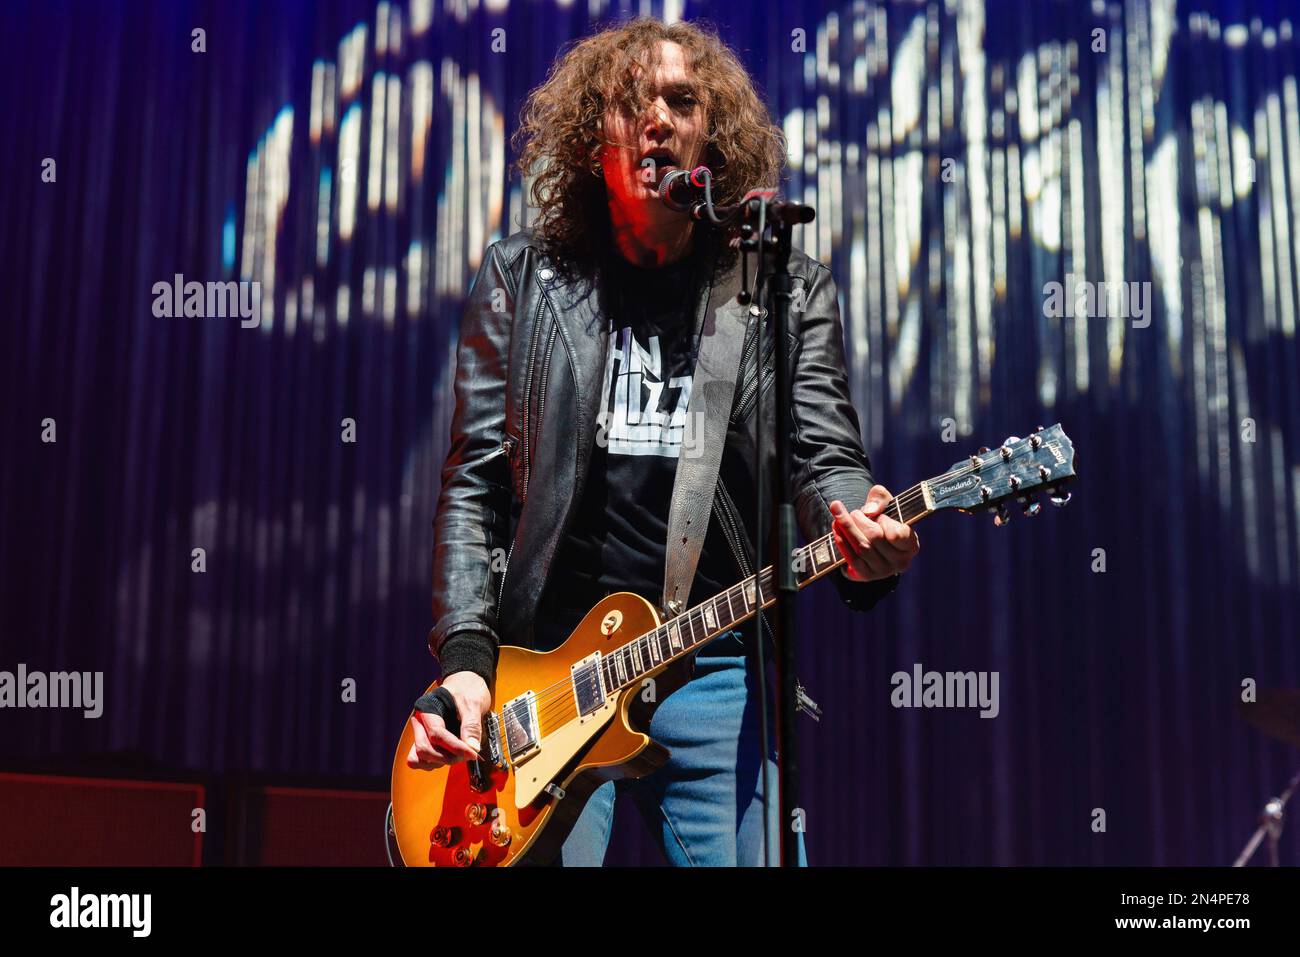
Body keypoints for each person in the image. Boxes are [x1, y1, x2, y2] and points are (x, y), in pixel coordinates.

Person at [406, 17, 919, 866]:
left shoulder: (781, 288)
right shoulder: (524, 278)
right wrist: (467, 659)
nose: (658, 118)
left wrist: (857, 525)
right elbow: (476, 484)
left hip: (711, 663)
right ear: (591, 134)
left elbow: (823, 453)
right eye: (631, 101)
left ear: (710, 134)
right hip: (551, 674)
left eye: (682, 100)